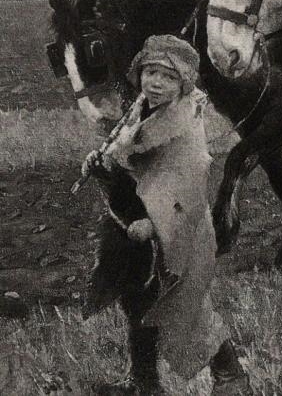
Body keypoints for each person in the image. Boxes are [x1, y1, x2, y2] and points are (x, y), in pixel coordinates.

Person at [81, 34, 248, 395]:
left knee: (184, 305)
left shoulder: (185, 126)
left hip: (173, 230)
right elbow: (129, 169)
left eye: (168, 77)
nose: (155, 83)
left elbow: (188, 186)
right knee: (136, 302)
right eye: (150, 72)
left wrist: (154, 226)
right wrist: (102, 169)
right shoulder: (141, 111)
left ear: (183, 83)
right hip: (132, 224)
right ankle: (144, 382)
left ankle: (231, 376)